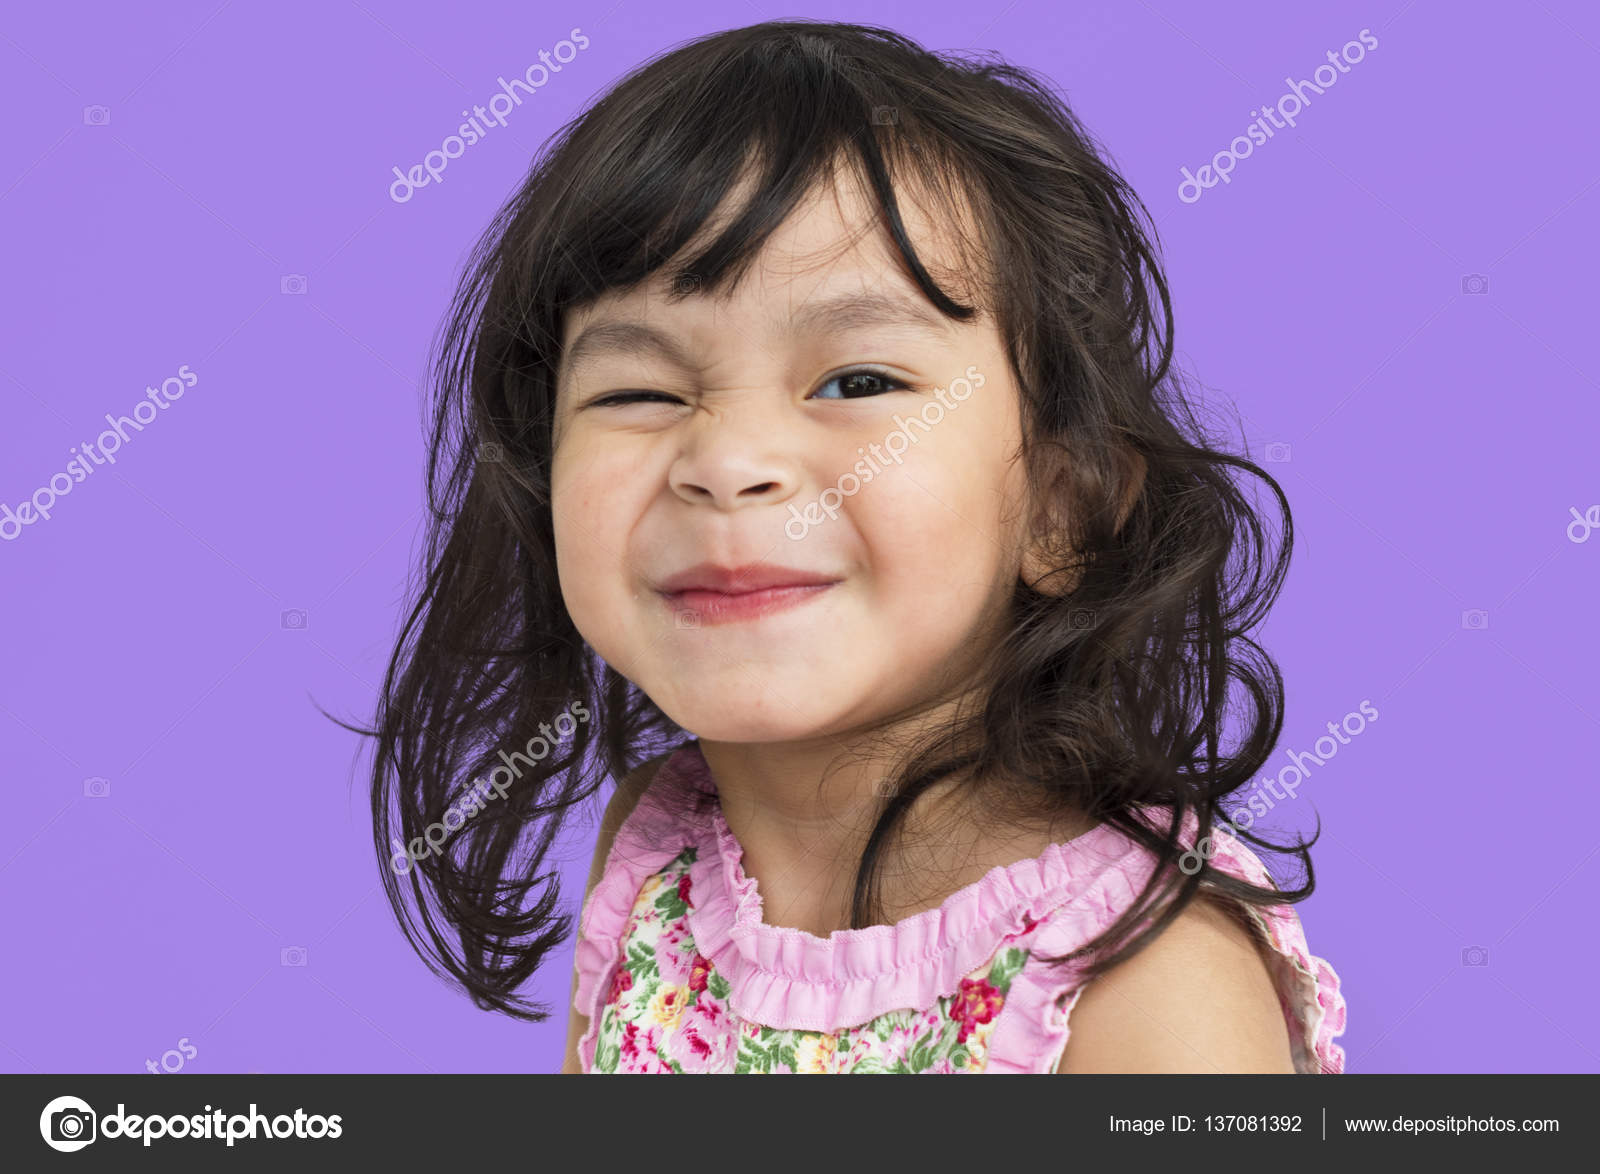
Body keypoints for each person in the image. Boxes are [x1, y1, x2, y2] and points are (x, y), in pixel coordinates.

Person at [365, 19, 1347, 1074]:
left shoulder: (1147, 976)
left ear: (1062, 507)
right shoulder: (658, 855)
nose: (727, 462)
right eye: (638, 390)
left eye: (857, 381)